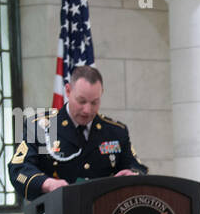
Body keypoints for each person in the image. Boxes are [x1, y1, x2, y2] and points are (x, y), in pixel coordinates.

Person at [8, 64, 147, 200]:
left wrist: (132, 175)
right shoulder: (40, 127)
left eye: (94, 102)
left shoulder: (116, 131)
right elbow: (19, 169)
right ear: (68, 91)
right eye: (81, 101)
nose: (87, 110)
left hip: (104, 210)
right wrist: (47, 184)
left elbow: (138, 168)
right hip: (56, 210)